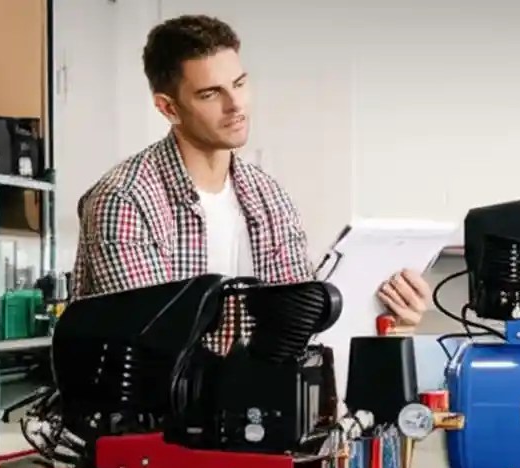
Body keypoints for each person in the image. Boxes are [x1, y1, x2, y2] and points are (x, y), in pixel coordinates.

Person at [70, 14, 430, 335]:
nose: (235, 105)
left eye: (240, 84)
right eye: (211, 94)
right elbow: (155, 343)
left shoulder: (268, 197)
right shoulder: (124, 199)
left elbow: (299, 330)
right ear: (168, 108)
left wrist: (387, 325)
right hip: (153, 410)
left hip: (251, 404)